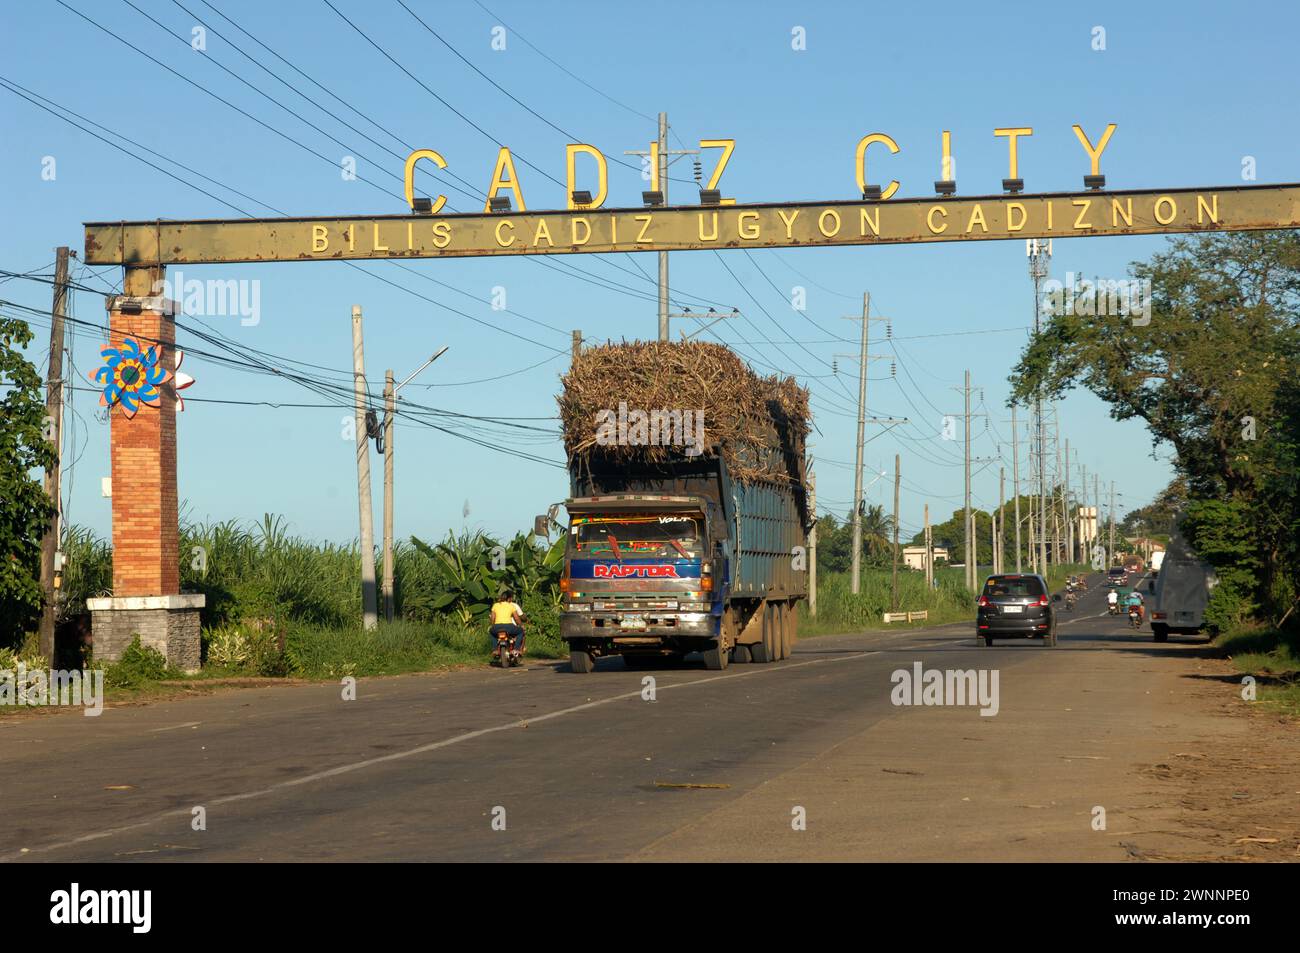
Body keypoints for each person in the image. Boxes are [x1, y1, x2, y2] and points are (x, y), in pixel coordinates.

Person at [488, 591, 525, 659]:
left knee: (491, 632)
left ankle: (495, 650)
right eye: (511, 598)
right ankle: (516, 649)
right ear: (509, 598)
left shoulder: (495, 605)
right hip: (509, 627)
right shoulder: (511, 606)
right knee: (521, 632)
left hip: (497, 627)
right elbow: (516, 618)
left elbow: (492, 618)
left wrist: (492, 626)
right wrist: (521, 625)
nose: (511, 599)